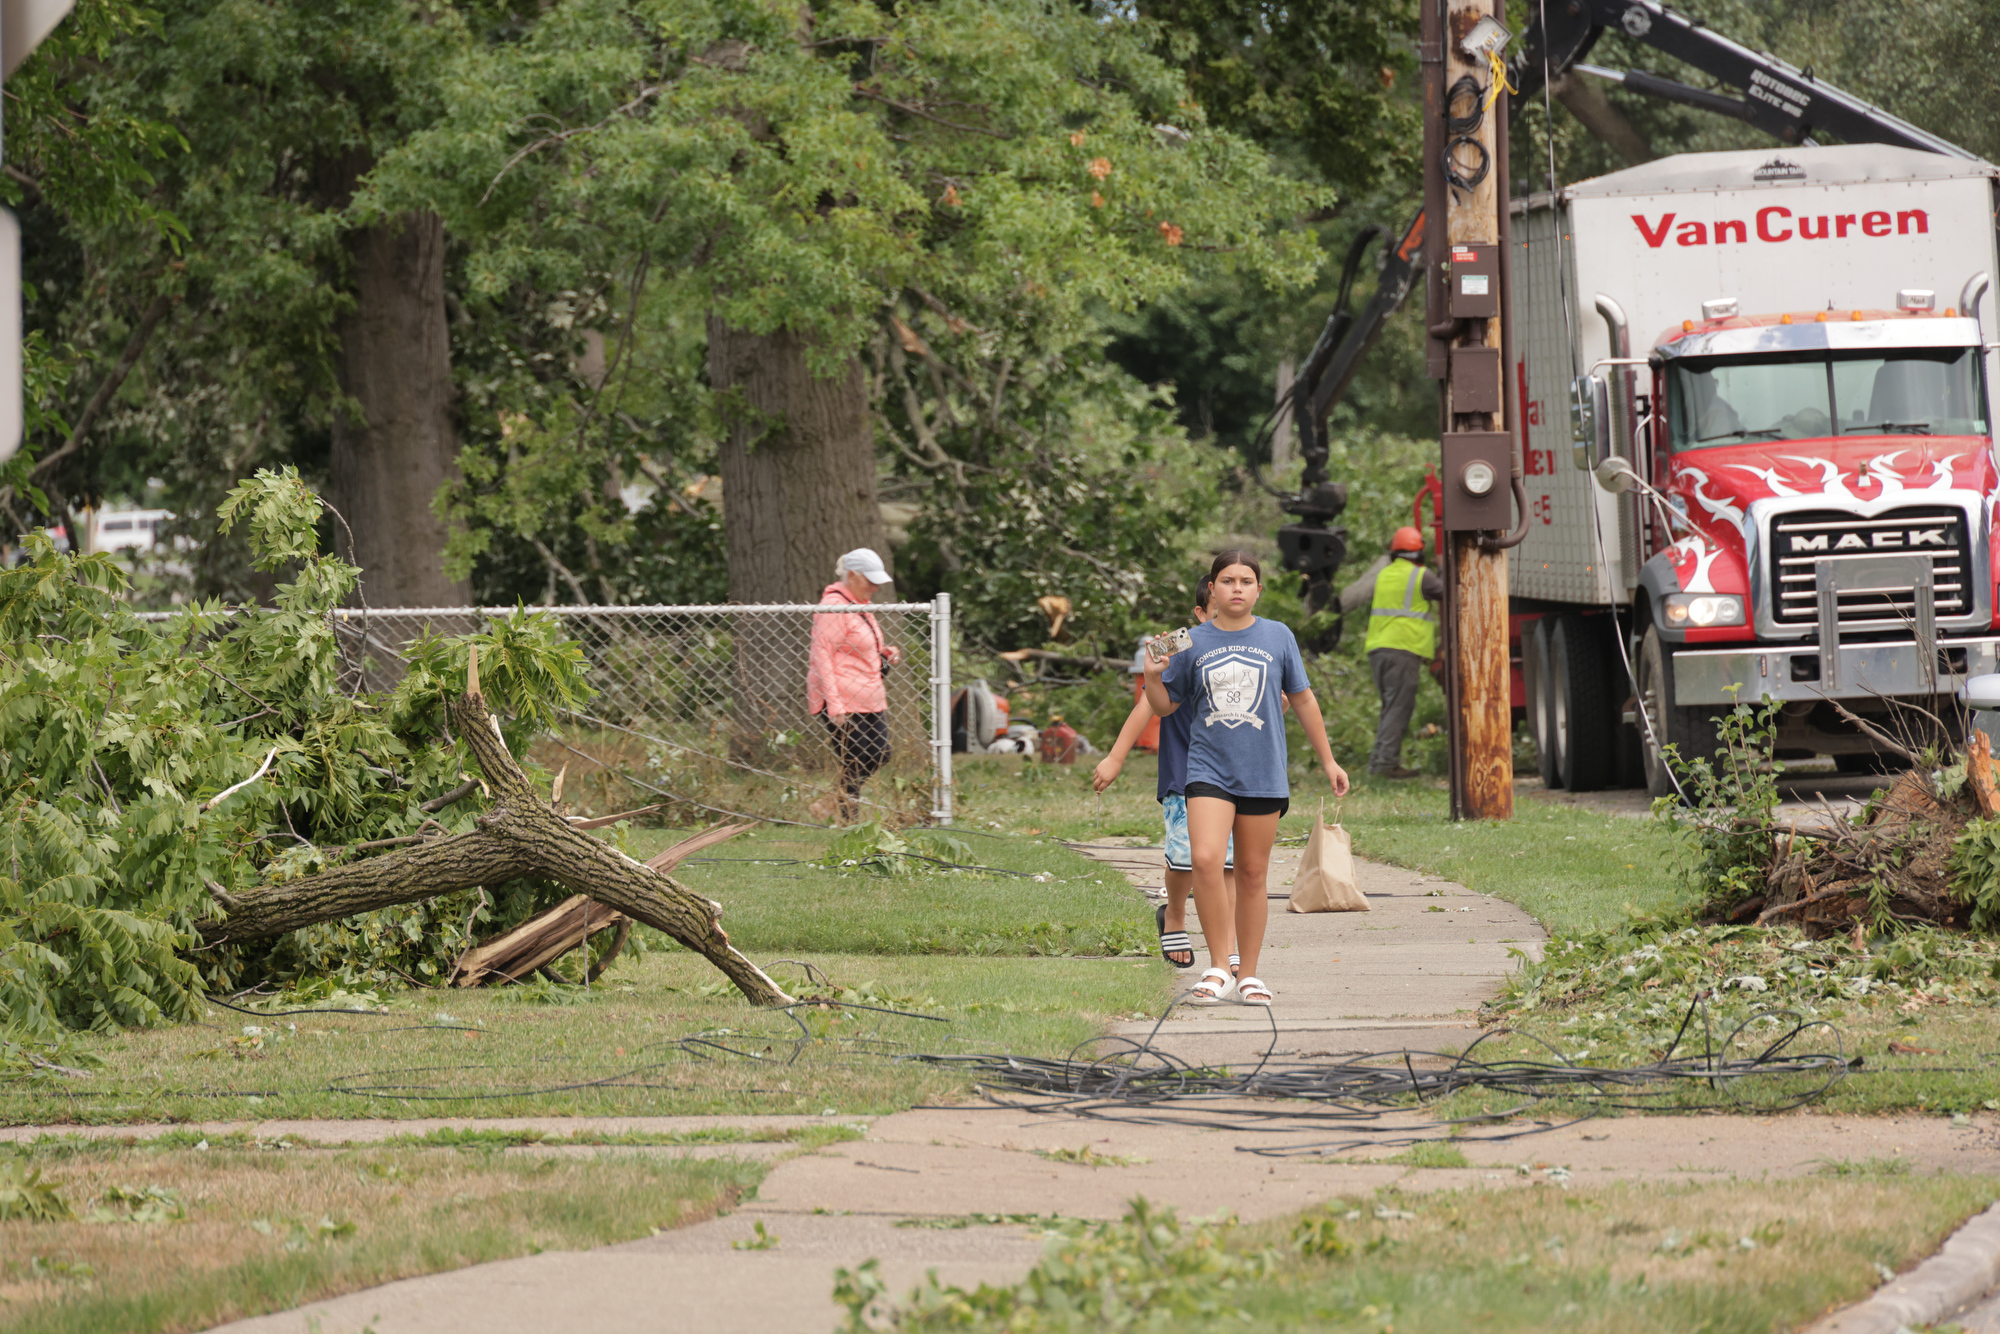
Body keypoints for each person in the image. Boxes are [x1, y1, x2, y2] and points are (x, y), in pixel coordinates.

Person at [1144, 551, 1349, 1006]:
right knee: (1205, 859)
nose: (1237, 588)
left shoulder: (1279, 635)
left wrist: (1329, 762)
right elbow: (1161, 707)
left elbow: (1304, 700)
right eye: (1227, 580)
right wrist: (1151, 676)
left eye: (1246, 580)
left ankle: (1250, 974)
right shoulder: (1184, 641)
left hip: (1263, 772)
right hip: (1206, 771)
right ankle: (1219, 966)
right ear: (1211, 590)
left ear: (1258, 590)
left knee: (1253, 874)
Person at [1092, 579, 1237, 972]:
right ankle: (1174, 913)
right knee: (1186, 856)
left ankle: (1226, 941)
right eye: (1215, 611)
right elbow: (1145, 705)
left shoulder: (1252, 644)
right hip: (1184, 768)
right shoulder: (1174, 647)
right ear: (1200, 614)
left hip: (1231, 772)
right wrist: (1115, 758)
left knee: (1227, 861)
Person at [807, 548, 903, 823]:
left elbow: (857, 643)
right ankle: (850, 821)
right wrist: (834, 703)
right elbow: (822, 654)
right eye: (870, 581)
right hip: (842, 697)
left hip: (868, 694)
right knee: (857, 757)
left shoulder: (858, 603)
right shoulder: (833, 606)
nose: (875, 587)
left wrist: (883, 651)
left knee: (880, 753)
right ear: (851, 575)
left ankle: (828, 805)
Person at [1339, 526, 1442, 780]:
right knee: (1398, 707)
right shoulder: (1421, 576)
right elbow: (1449, 592)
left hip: (1379, 650)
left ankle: (1379, 763)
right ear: (1419, 552)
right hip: (1403, 649)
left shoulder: (1384, 574)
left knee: (1390, 707)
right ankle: (1385, 765)